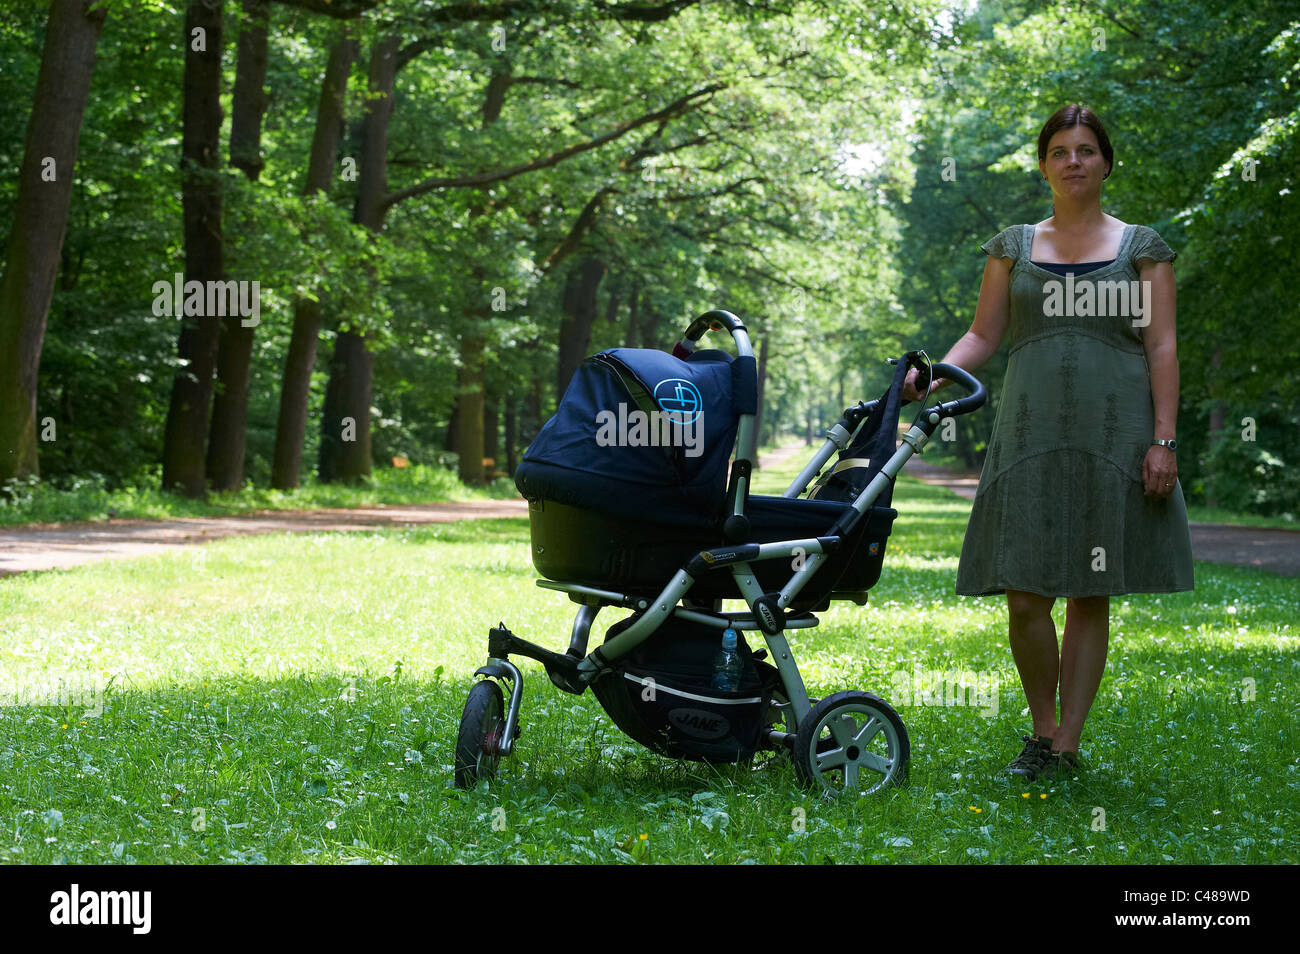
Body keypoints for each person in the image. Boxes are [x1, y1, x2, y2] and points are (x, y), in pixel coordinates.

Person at [903, 104, 1194, 782]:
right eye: (1060, 151)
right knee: (1025, 591)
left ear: (1106, 162)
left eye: (1086, 149)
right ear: (1043, 166)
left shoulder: (1142, 248)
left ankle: (1066, 743)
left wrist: (1164, 439)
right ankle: (1040, 729)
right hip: (1028, 434)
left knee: (1091, 589)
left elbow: (1163, 345)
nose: (1073, 161)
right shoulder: (1012, 246)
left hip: (1114, 436)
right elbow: (983, 334)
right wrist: (933, 375)